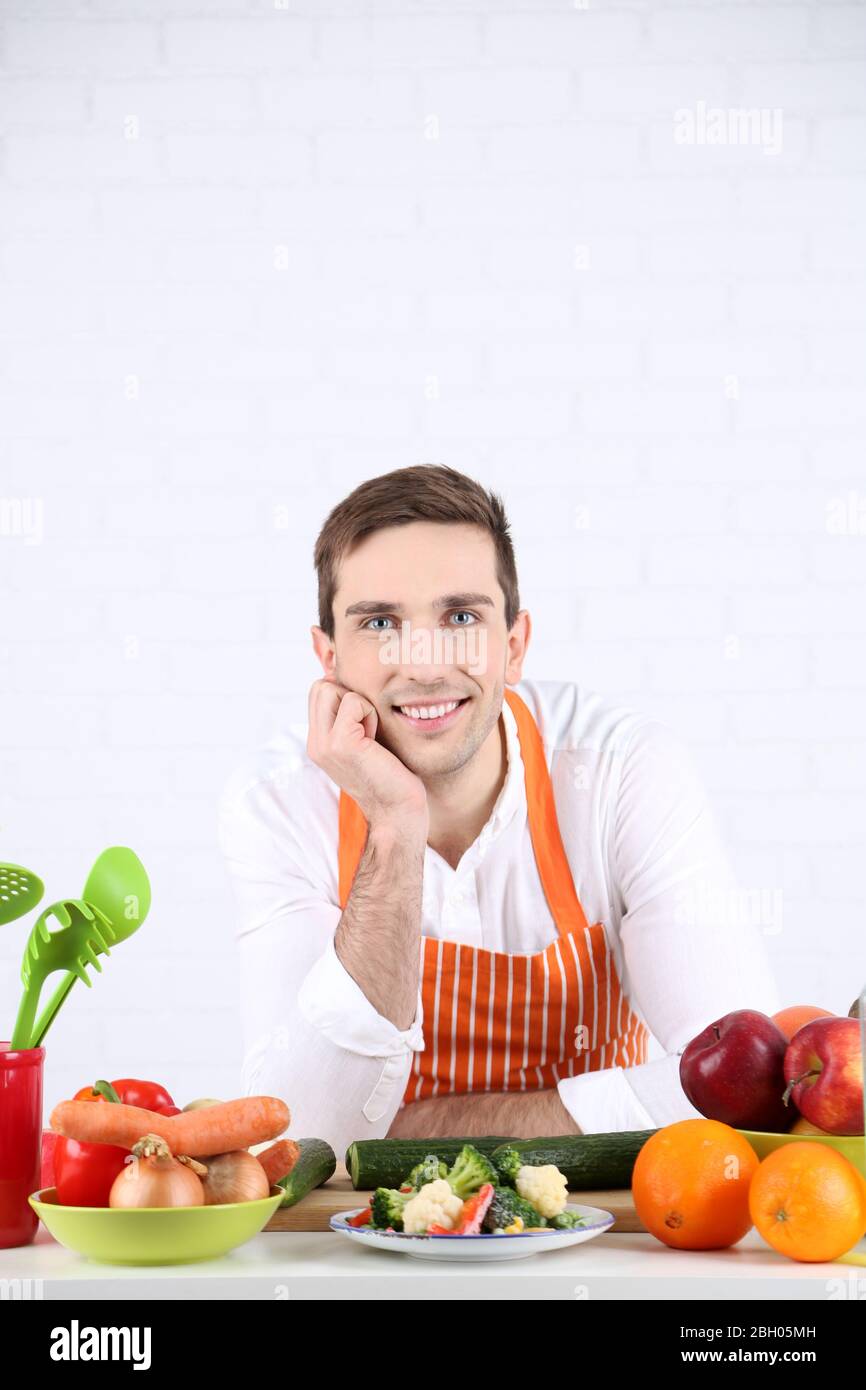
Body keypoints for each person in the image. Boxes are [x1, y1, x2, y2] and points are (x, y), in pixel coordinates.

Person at [218, 464, 781, 1157]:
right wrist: (394, 827)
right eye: (380, 623)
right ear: (327, 657)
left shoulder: (622, 772)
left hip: (606, 1237)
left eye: (459, 617)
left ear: (512, 646)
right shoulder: (280, 802)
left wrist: (397, 1134)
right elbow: (297, 1134)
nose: (424, 666)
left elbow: (746, 1089)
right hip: (366, 1250)